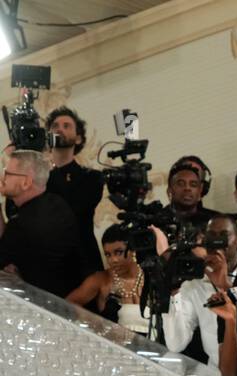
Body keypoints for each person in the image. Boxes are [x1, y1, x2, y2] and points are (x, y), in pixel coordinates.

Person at [162, 214, 237, 376]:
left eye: (223, 236)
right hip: (214, 374)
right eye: (211, 236)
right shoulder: (194, 284)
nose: (216, 242)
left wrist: (225, 286)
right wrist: (173, 292)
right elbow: (175, 344)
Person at [0, 149, 84, 298]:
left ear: (26, 182)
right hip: (70, 299)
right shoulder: (59, 204)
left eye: (7, 173)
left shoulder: (21, 225)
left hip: (45, 307)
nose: (2, 177)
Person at [44, 106, 104, 276]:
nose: (59, 129)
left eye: (66, 126)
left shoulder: (92, 177)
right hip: (48, 267)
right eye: (55, 126)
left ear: (78, 138)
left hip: (83, 264)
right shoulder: (38, 179)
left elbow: (73, 209)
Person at [66, 223, 151, 333]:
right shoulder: (101, 280)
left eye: (118, 252)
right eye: (108, 254)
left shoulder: (151, 275)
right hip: (117, 346)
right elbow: (69, 303)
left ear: (133, 250)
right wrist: (95, 324)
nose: (112, 260)